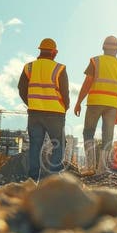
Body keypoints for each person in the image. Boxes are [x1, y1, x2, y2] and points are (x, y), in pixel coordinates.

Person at [74, 36, 117, 176]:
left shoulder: (95, 61)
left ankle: (90, 167)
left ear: (103, 47)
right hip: (112, 106)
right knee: (108, 137)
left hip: (95, 101)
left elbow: (88, 81)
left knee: (88, 132)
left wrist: (79, 101)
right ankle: (102, 169)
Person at [17, 38, 69, 180]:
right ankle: (53, 178)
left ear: (40, 50)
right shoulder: (60, 68)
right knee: (59, 144)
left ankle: (33, 179)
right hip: (55, 113)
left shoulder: (29, 67)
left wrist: (31, 103)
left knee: (35, 146)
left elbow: (21, 88)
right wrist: (66, 107)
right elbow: (65, 92)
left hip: (35, 113)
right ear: (54, 52)